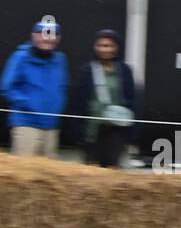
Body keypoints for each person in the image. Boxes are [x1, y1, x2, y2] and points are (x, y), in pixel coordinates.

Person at [69, 29, 136, 168]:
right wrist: (78, 132)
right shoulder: (87, 70)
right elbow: (78, 102)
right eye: (100, 45)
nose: (104, 49)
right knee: (91, 172)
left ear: (116, 48)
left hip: (116, 131)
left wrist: (130, 133)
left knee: (112, 171)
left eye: (109, 45)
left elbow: (131, 100)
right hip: (92, 130)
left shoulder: (124, 70)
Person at [2, 18, 69, 158]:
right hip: (26, 124)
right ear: (34, 35)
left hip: (51, 126)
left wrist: (57, 109)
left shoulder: (60, 60)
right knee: (24, 172)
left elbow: (63, 88)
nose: (47, 38)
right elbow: (7, 87)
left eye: (52, 34)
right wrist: (29, 103)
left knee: (48, 174)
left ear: (58, 38)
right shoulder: (20, 57)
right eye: (42, 33)